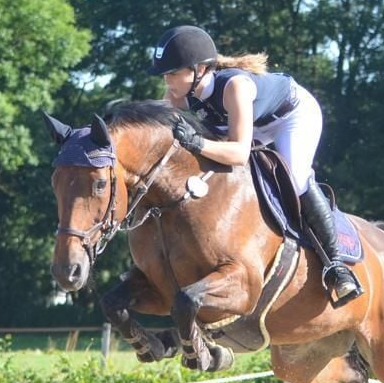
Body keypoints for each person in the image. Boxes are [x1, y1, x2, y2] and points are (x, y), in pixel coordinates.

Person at [148, 24, 363, 306]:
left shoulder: (234, 87)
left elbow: (238, 152)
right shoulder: (178, 95)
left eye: (173, 73)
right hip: (251, 125)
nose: (167, 81)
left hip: (292, 117)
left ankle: (336, 266)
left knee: (295, 177)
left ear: (198, 69)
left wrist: (198, 144)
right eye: (165, 74)